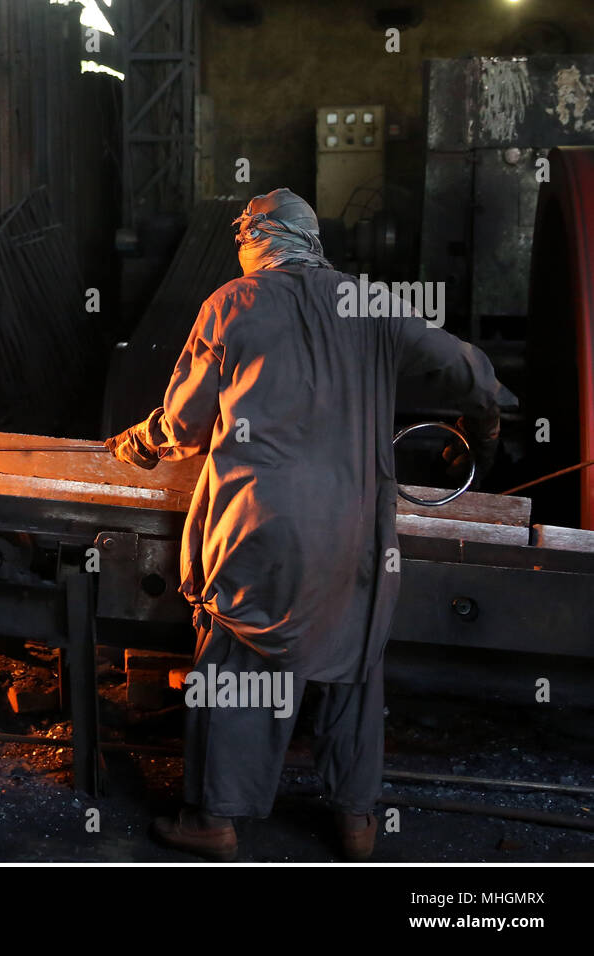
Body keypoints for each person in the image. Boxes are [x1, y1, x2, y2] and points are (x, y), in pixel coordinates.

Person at [105, 188, 516, 862]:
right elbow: (463, 365)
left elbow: (184, 423)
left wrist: (142, 442)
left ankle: (216, 821)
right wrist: (486, 414)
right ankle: (357, 822)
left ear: (259, 237)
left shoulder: (233, 304)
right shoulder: (367, 303)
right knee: (355, 665)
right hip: (356, 530)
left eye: (243, 235)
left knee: (238, 662)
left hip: (259, 526)